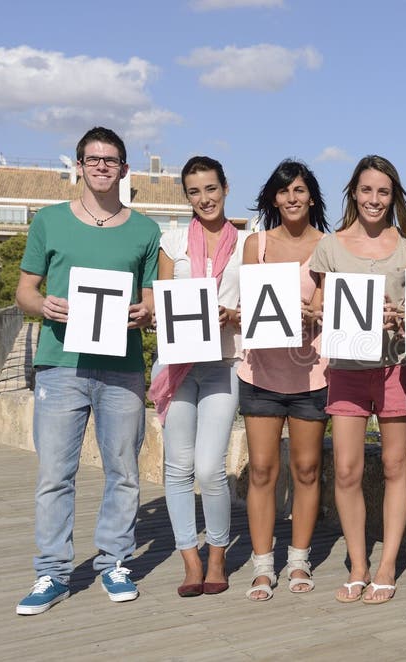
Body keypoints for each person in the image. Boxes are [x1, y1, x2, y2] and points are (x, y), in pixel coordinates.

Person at [15, 127, 160, 614]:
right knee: (56, 472)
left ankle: (115, 561)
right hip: (60, 365)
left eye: (111, 159)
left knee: (124, 470)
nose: (101, 166)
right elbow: (24, 292)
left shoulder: (145, 229)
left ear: (124, 169)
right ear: (79, 165)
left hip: (122, 367)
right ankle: (51, 573)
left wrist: (146, 311)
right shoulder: (50, 222)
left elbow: (151, 296)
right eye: (92, 158)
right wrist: (45, 307)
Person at [309, 155, 406, 605]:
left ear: (393, 197)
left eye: (384, 192)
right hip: (347, 372)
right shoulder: (330, 247)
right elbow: (317, 306)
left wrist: (405, 316)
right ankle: (358, 564)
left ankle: (388, 564)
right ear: (354, 192)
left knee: (396, 466)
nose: (375, 199)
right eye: (367, 190)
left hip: (396, 368)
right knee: (348, 470)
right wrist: (318, 311)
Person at [149, 156, 246, 598]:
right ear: (185, 196)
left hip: (223, 363)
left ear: (225, 188)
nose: (204, 198)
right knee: (176, 468)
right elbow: (161, 303)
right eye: (194, 191)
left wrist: (233, 314)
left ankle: (218, 553)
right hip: (176, 364)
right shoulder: (171, 242)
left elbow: (260, 309)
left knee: (209, 468)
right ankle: (190, 559)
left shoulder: (248, 244)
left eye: (211, 188)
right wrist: (152, 317)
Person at [238, 160, 330, 601]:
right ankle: (262, 565)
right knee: (261, 470)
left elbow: (340, 309)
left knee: (308, 469)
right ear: (273, 198)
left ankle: (299, 559)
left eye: (299, 189)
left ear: (312, 196)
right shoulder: (255, 244)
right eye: (283, 191)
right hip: (260, 371)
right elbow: (249, 306)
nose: (291, 198)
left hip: (314, 372)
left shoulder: (330, 246)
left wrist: (321, 313)